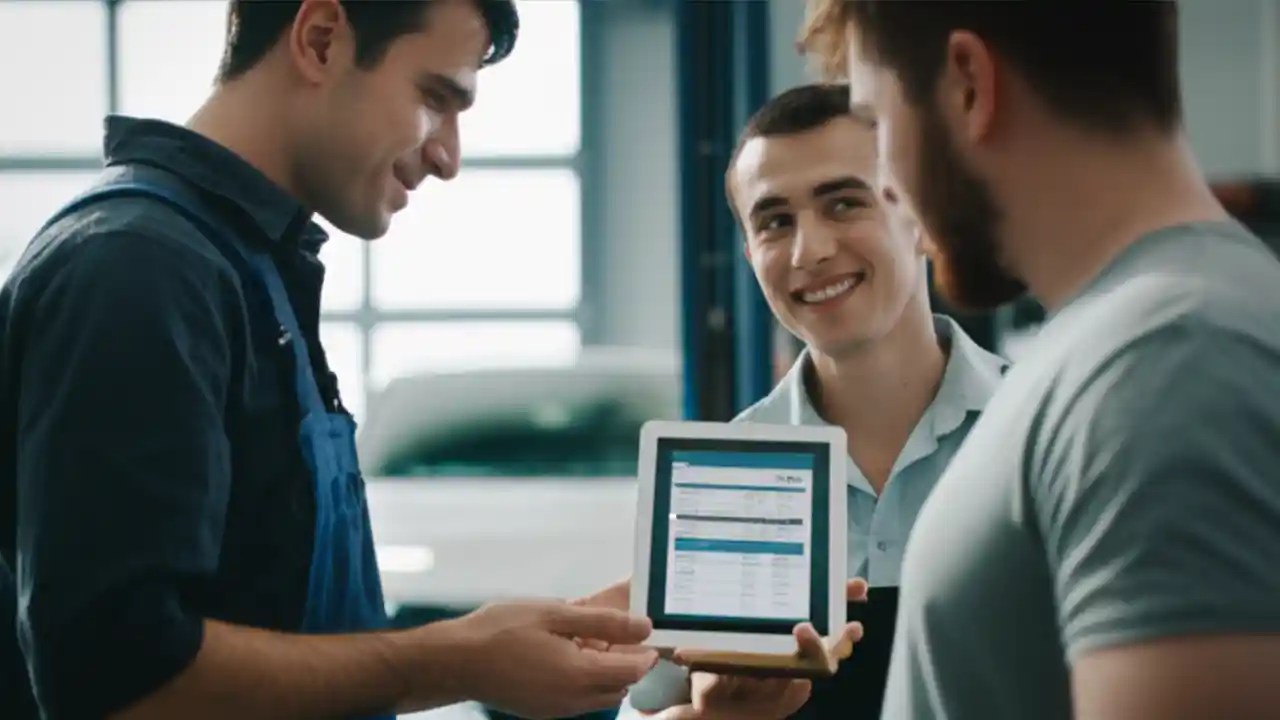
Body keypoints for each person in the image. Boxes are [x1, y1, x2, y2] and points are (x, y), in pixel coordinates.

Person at [0, 2, 662, 718]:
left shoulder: (247, 268)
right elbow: (125, 680)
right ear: (320, 40)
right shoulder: (137, 272)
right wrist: (461, 659)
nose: (448, 157)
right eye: (434, 98)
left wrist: (505, 652)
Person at [797, 1, 1280, 718]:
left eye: (880, 123)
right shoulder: (1118, 347)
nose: (888, 185)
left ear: (968, 84)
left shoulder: (1162, 367)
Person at [618, 83, 1008, 720]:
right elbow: (642, 712)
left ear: (923, 213)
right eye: (775, 222)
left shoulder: (1044, 432)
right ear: (750, 254)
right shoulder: (717, 481)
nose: (810, 251)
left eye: (844, 203)